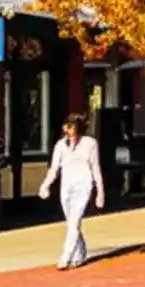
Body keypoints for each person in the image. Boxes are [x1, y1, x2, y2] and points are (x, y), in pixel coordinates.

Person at [39, 114, 105, 270]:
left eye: (70, 126)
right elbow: (54, 168)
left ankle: (65, 256)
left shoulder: (90, 144)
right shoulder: (60, 145)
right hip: (67, 186)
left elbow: (95, 168)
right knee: (71, 223)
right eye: (65, 126)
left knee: (74, 221)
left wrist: (100, 191)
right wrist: (45, 185)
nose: (67, 129)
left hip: (83, 185)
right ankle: (80, 255)